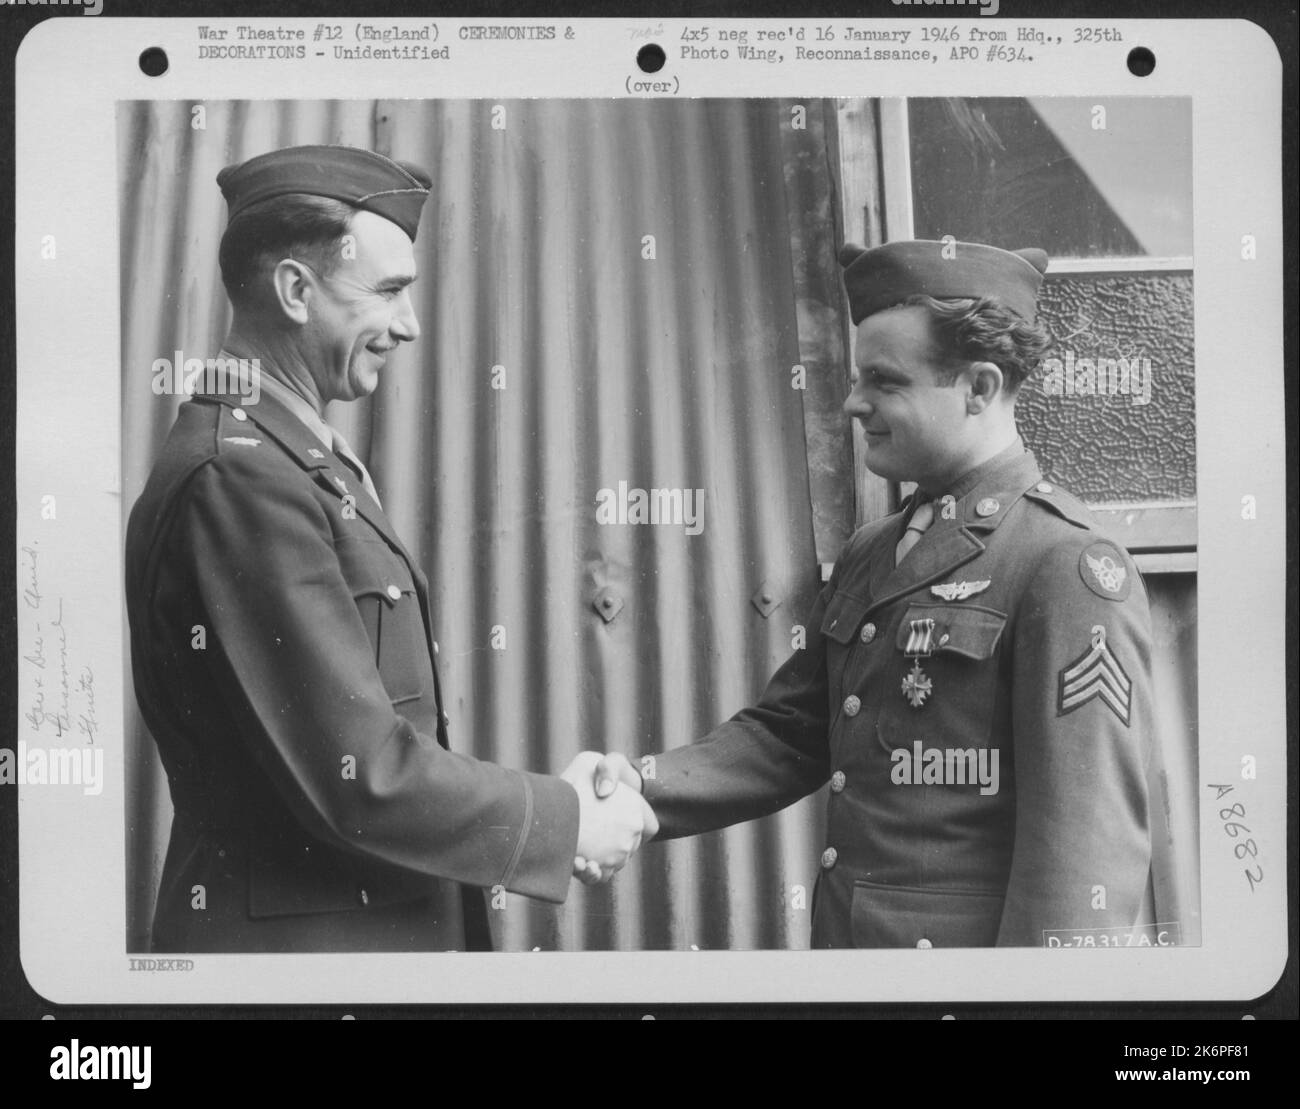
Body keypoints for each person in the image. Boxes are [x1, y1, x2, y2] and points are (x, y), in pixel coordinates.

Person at [125, 144, 655, 953]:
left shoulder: (291, 456)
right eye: (389, 293)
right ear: (296, 292)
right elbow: (363, 775)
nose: (408, 326)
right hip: (304, 967)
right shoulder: (241, 476)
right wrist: (565, 818)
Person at [583, 239, 1157, 948]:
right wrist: (640, 785)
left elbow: (1084, 856)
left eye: (884, 381)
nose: (855, 403)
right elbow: (791, 729)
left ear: (977, 388)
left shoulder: (1063, 566)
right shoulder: (873, 550)